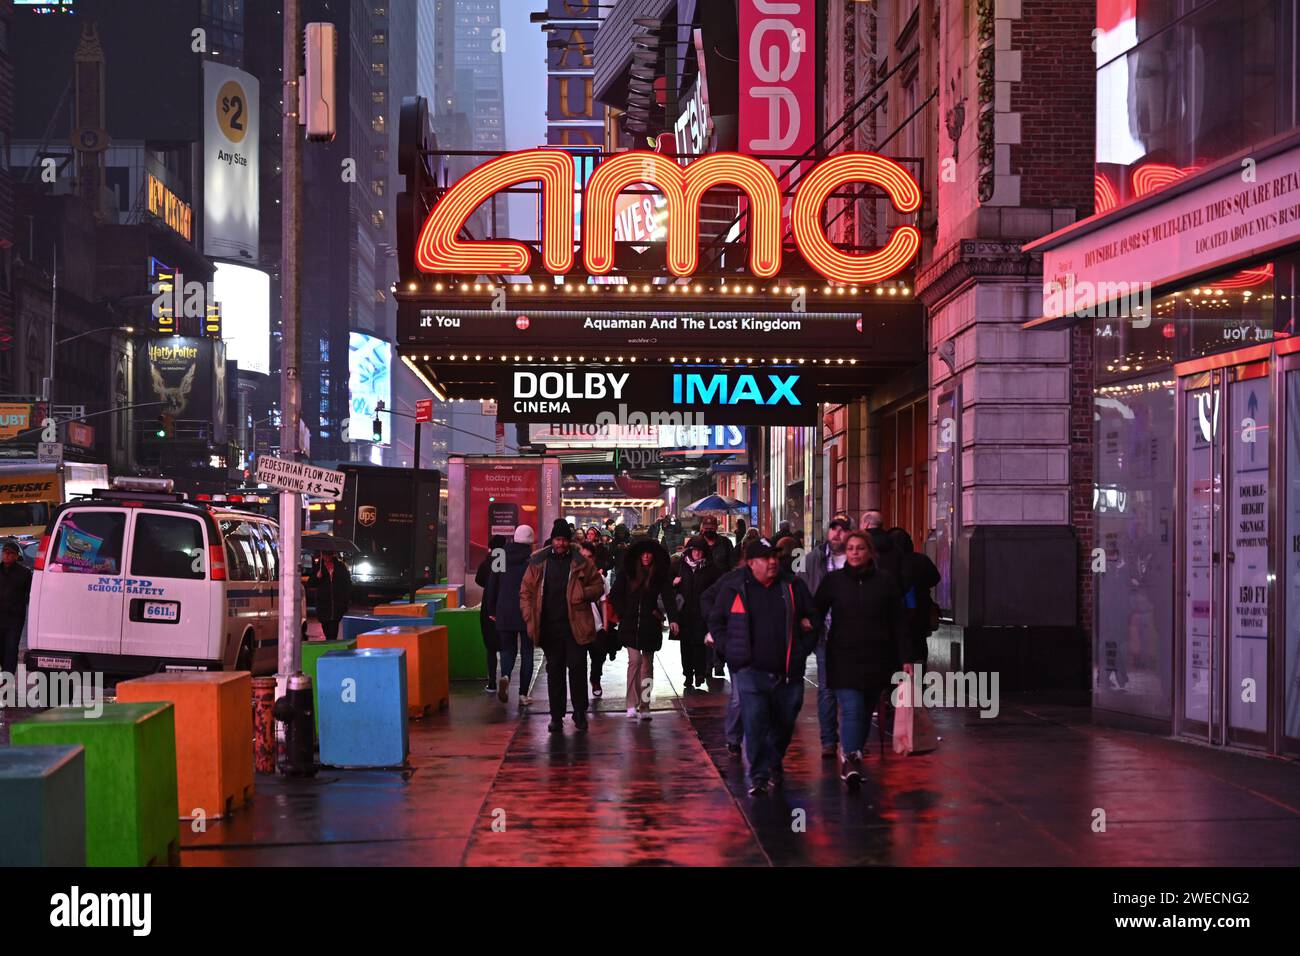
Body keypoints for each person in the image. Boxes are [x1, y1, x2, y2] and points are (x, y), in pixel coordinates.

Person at [705, 537, 819, 796]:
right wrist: (729, 648)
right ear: (752, 562)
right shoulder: (734, 586)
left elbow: (813, 617)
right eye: (766, 558)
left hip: (788, 671)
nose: (772, 562)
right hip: (750, 671)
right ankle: (758, 774)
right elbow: (716, 620)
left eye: (775, 557)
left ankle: (773, 761)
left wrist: (803, 649)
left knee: (784, 723)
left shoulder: (792, 586)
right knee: (755, 723)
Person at [812, 531, 909, 788]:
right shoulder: (834, 581)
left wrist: (906, 658)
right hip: (843, 657)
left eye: (860, 548)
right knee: (852, 708)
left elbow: (898, 622)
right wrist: (806, 632)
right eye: (851, 548)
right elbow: (816, 612)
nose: (855, 552)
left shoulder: (885, 581)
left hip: (877, 657)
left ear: (870, 552)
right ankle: (851, 759)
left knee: (866, 711)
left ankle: (854, 751)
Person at [519, 519, 606, 732]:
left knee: (577, 670)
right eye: (558, 539)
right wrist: (530, 619)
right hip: (549, 628)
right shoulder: (538, 562)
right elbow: (526, 592)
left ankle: (579, 713)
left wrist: (583, 594)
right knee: (555, 672)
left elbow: (598, 585)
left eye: (564, 540)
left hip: (575, 627)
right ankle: (556, 716)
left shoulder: (581, 561)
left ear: (569, 540)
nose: (561, 543)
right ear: (552, 539)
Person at [800, 515, 852, 759]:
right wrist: (806, 618)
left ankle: (853, 742)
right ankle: (829, 740)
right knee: (827, 688)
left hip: (855, 637)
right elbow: (801, 589)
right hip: (826, 635)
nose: (837, 534)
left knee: (854, 690)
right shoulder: (813, 559)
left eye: (843, 529)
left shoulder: (859, 559)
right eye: (833, 528)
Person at [610, 538, 678, 720]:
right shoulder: (628, 573)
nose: (646, 556)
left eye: (649, 553)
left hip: (650, 625)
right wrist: (622, 613)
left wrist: (673, 619)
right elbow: (614, 594)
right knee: (635, 661)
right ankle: (631, 704)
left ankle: (645, 704)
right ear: (638, 556)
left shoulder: (659, 575)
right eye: (643, 553)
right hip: (630, 624)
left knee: (647, 666)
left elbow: (669, 597)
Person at [486, 524, 538, 706]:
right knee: (527, 652)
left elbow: (492, 584)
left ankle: (506, 675)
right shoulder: (533, 558)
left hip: (504, 610)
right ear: (531, 540)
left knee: (507, 649)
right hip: (527, 611)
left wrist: (491, 610)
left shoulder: (499, 554)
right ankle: (523, 695)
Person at [671, 535, 721, 690]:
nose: (697, 554)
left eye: (700, 551)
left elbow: (716, 589)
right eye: (695, 551)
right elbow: (668, 586)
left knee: (700, 644)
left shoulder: (711, 568)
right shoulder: (680, 565)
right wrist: (674, 583)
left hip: (702, 613)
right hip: (684, 612)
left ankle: (700, 673)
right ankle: (688, 674)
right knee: (685, 646)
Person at [574, 537, 611, 702]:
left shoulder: (600, 579)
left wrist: (605, 625)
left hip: (596, 626)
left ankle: (595, 680)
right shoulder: (572, 578)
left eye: (589, 557)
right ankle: (581, 691)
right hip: (578, 627)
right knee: (578, 662)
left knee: (598, 658)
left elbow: (604, 602)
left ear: (593, 559)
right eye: (583, 556)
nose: (585, 560)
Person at [474, 535, 506, 694]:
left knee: (491, 648)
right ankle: (505, 677)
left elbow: (478, 580)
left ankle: (492, 682)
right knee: (507, 646)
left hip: (488, 607)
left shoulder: (487, 563)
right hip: (505, 607)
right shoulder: (507, 562)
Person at [0, 539, 32, 674]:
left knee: (11, 650)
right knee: (1, 650)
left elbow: (29, 593)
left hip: (15, 619)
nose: (7, 555)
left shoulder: (24, 573)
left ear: (16, 556)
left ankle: (8, 683)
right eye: (5, 552)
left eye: (10, 553)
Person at [311, 550, 351, 642]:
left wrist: (346, 600)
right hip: (323, 606)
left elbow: (347, 583)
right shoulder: (319, 567)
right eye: (325, 554)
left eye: (329, 554)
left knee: (332, 634)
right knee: (326, 629)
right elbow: (311, 583)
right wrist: (317, 577)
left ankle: (331, 650)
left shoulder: (340, 566)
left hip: (337, 606)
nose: (327, 557)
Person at [861, 510, 903, 582]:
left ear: (866, 524)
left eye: (861, 523)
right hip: (891, 588)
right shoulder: (895, 544)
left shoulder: (862, 543)